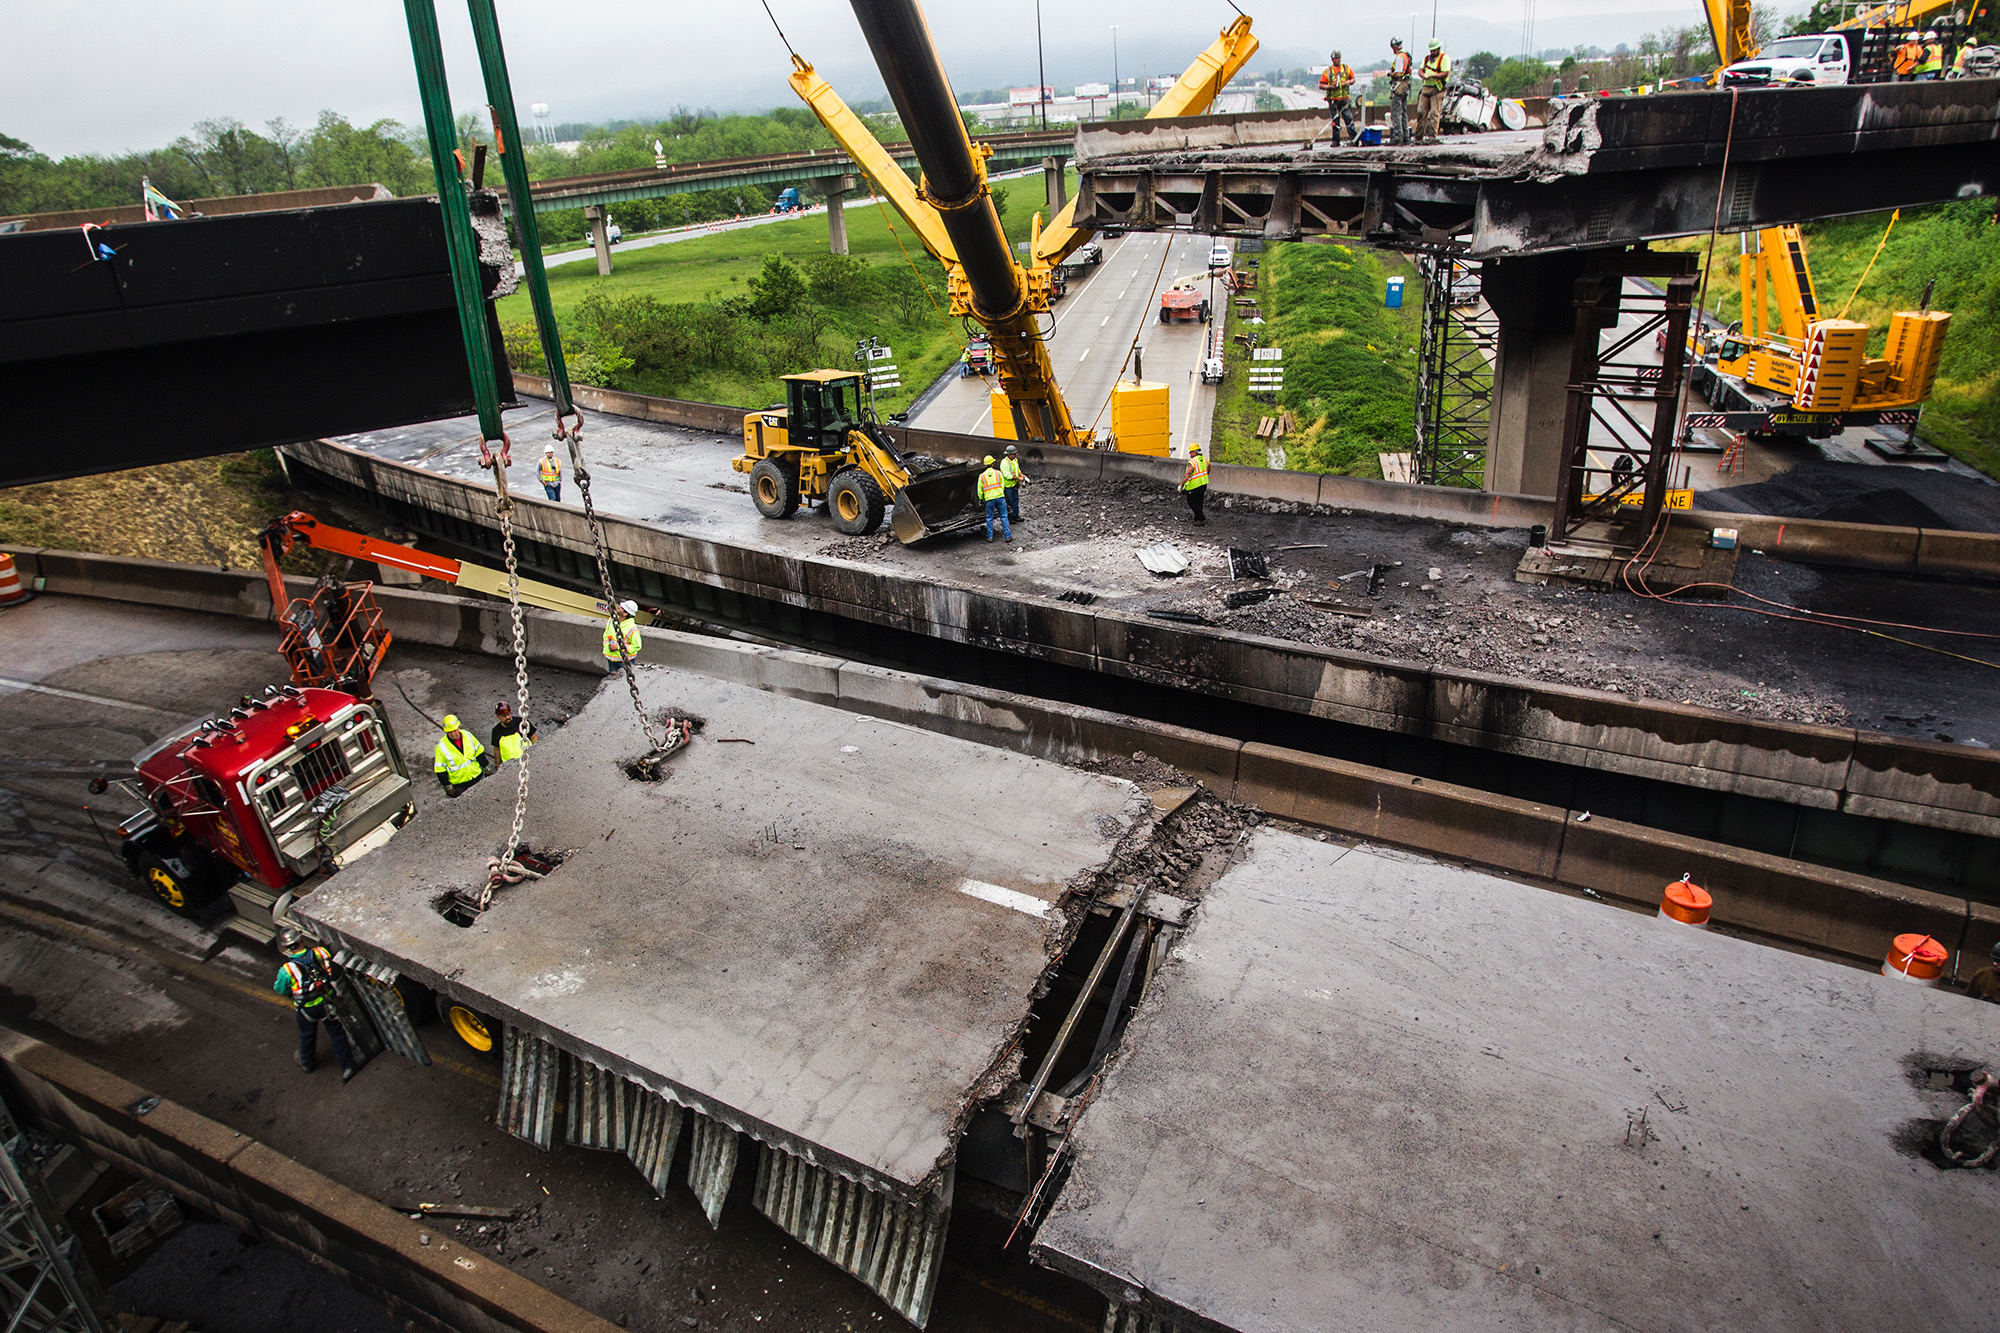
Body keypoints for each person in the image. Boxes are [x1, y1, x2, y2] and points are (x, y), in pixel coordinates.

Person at [275, 931, 360, 1082]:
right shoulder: (320, 952)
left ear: (287, 947)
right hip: (327, 1003)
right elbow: (329, 969)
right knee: (336, 1033)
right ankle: (347, 1066)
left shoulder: (287, 970)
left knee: (307, 1035)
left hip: (306, 1008)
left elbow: (280, 989)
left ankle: (307, 1063)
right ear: (301, 939)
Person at [434, 714, 491, 797]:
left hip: (477, 777)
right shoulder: (441, 747)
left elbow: (479, 753)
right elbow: (440, 770)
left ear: (459, 727)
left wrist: (486, 767)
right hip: (459, 785)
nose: (453, 734)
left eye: (454, 730)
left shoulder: (468, 735)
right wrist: (447, 786)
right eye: (450, 732)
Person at [1319, 51, 1358, 145]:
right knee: (1335, 122)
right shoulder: (1328, 72)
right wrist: (1330, 86)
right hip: (1333, 101)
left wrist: (1347, 82)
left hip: (1345, 100)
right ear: (1332, 59)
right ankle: (1336, 140)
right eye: (1335, 58)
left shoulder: (1346, 68)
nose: (1337, 60)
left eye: (1339, 58)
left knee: (1348, 119)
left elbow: (1353, 79)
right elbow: (1321, 85)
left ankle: (1355, 139)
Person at [1417, 40, 1452, 145]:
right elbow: (1420, 70)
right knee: (1421, 112)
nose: (1432, 52)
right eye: (1431, 50)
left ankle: (1432, 137)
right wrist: (1423, 75)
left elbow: (1445, 73)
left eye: (1434, 50)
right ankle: (1419, 137)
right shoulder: (1427, 59)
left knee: (1434, 113)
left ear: (1438, 49)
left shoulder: (1444, 58)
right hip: (1426, 88)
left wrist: (1433, 76)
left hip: (1437, 89)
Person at [978, 455, 1011, 542]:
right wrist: (1000, 492)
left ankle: (990, 537)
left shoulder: (981, 476)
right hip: (999, 497)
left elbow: (979, 490)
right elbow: (1002, 485)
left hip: (989, 499)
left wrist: (981, 499)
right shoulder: (998, 473)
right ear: (992, 464)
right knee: (1004, 516)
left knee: (989, 518)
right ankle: (1007, 536)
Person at [1387, 37, 1413, 146]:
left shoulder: (1399, 58)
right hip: (1405, 85)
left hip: (1398, 86)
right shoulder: (1406, 55)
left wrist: (1390, 74)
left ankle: (1398, 137)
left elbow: (1398, 73)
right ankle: (1406, 137)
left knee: (1396, 113)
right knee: (1403, 113)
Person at [603, 599, 643, 670]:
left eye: (622, 608)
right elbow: (606, 633)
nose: (619, 607)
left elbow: (637, 646)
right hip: (611, 658)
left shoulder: (632, 628)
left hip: (625, 660)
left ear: (625, 614)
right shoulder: (612, 620)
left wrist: (618, 647)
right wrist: (605, 644)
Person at [1182, 443, 1209, 524]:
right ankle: (1197, 517)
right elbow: (1208, 469)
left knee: (1191, 501)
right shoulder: (1205, 459)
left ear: (1194, 452)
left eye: (1190, 452)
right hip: (1203, 484)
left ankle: (1201, 518)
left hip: (1194, 485)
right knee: (1199, 501)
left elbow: (1188, 474)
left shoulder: (1192, 462)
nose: (1189, 453)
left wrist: (1181, 484)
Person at [1000, 444, 1026, 524]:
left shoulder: (1015, 460)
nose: (1015, 455)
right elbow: (1007, 475)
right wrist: (1018, 478)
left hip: (1015, 485)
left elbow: (1017, 469)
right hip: (1008, 486)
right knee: (1009, 502)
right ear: (1009, 454)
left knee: (1015, 501)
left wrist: (1021, 474)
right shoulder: (1004, 463)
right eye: (1014, 454)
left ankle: (1016, 516)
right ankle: (1010, 518)